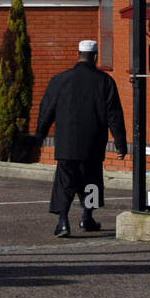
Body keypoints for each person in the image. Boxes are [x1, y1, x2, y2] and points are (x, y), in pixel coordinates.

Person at [35, 39, 127, 237]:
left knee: (65, 182)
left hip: (67, 144)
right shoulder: (105, 81)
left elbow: (46, 111)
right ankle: (87, 217)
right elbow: (114, 115)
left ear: (77, 54)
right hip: (93, 144)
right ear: (95, 57)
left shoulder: (59, 80)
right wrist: (120, 144)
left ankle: (62, 222)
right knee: (92, 182)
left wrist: (39, 136)